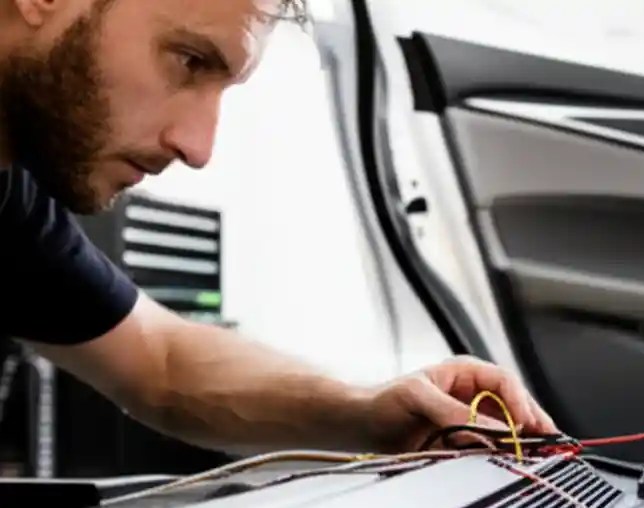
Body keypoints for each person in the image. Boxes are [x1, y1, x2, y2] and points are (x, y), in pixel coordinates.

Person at [0, 0, 556, 457]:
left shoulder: (12, 202)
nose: (198, 147)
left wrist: (368, 412)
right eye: (190, 60)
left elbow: (160, 363)